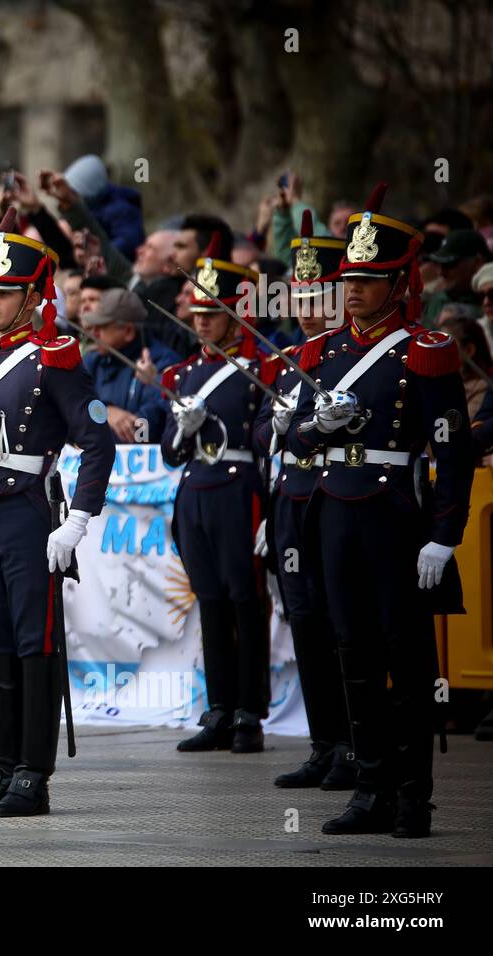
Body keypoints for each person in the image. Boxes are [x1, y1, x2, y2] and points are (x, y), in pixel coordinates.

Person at [283, 184, 474, 838]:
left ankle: (412, 796)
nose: (355, 289)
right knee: (352, 652)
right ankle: (369, 786)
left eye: (370, 279)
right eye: (351, 278)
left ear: (401, 282)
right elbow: (293, 440)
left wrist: (445, 534)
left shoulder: (425, 349)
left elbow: (451, 445)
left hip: (394, 514)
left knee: (408, 659)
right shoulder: (323, 353)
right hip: (334, 510)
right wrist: (317, 428)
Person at [0, 207, 114, 820]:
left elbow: (97, 440)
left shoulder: (54, 358)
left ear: (32, 296)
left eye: (4, 292)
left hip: (26, 511)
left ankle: (31, 775)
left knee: (32, 643)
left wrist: (78, 520)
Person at [253, 211, 355, 791]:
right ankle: (324, 743)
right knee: (308, 623)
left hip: (334, 498)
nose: (307, 307)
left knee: (344, 623)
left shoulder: (347, 359)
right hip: (291, 500)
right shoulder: (292, 360)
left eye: (319, 295)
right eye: (300, 296)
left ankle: (354, 745)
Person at [160, 234, 271, 755]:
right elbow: (169, 452)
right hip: (195, 492)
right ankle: (220, 708)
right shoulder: (182, 374)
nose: (202, 321)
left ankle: (251, 711)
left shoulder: (257, 372)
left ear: (235, 315)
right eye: (198, 311)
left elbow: (265, 441)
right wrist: (184, 427)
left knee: (245, 602)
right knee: (210, 604)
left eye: (213, 312)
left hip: (238, 491)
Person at [81, 288, 179, 443]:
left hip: (141, 463)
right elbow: (70, 410)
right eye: (93, 326)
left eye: (101, 327)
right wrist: (103, 412)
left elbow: (145, 430)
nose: (94, 333)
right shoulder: (92, 361)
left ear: (128, 331)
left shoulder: (161, 363)